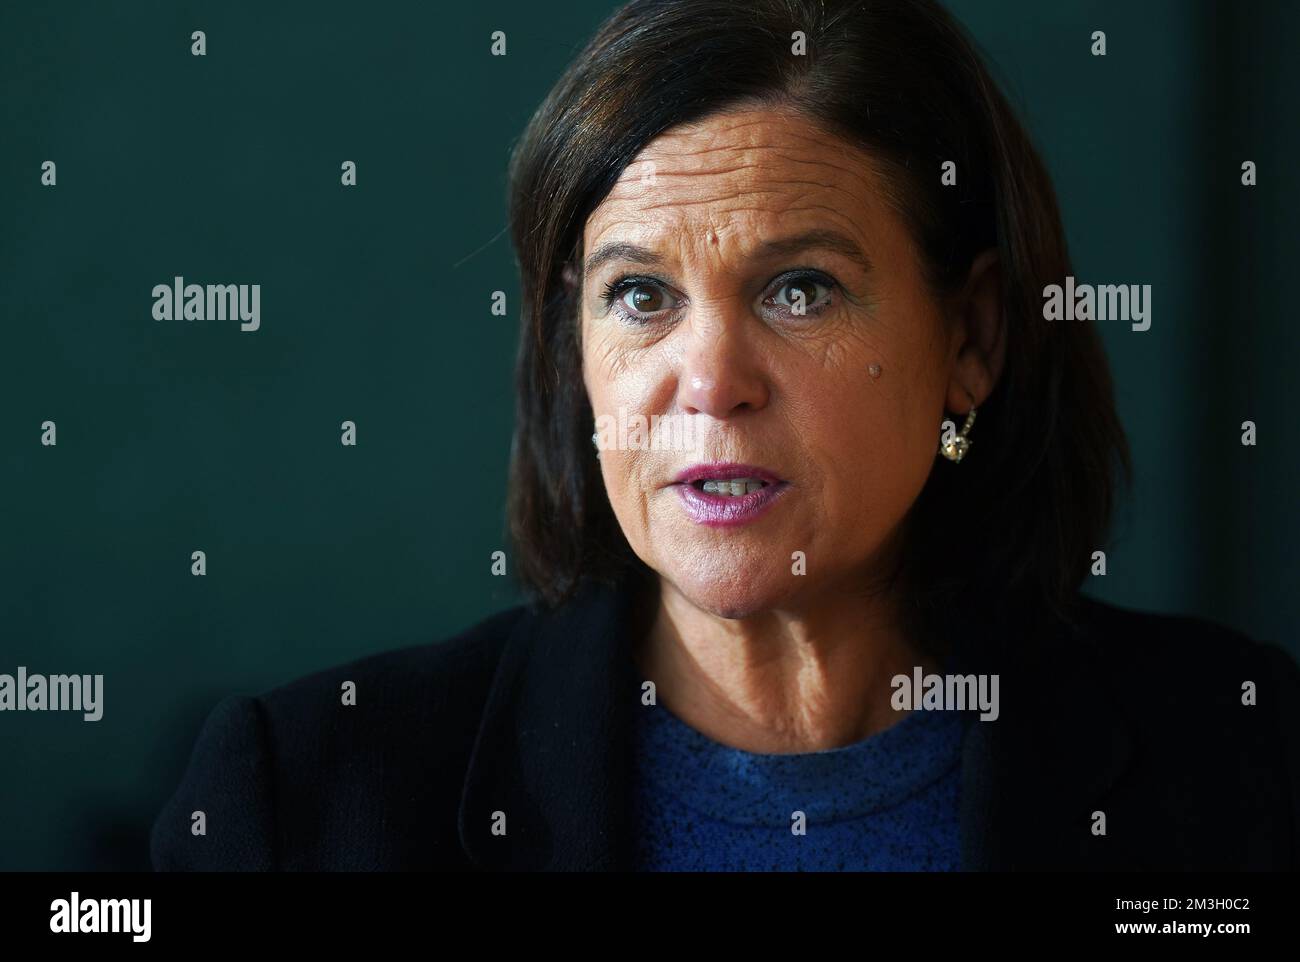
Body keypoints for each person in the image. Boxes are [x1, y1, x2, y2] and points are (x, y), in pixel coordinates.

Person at [151, 0, 1300, 871]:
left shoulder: (1243, 761)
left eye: (798, 289)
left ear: (973, 339)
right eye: (640, 296)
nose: (708, 381)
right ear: (572, 349)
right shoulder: (303, 799)